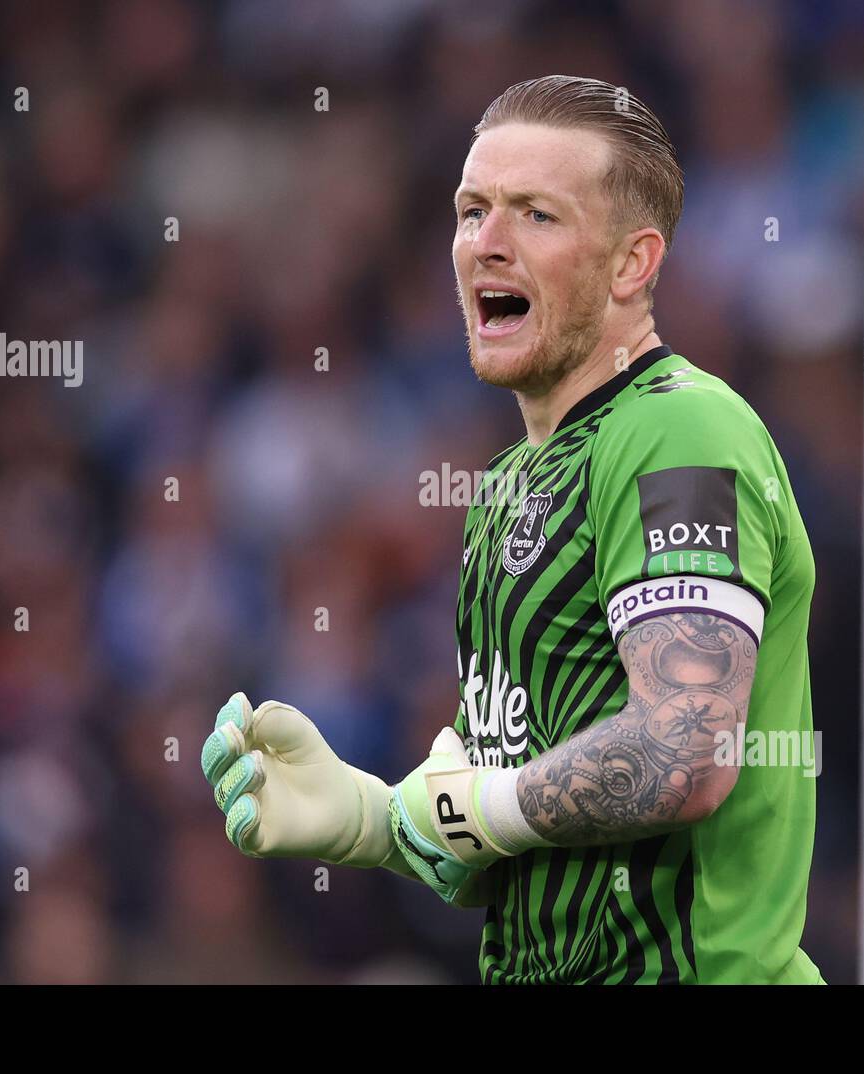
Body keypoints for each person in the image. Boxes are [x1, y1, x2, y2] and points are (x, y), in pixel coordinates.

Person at [201, 75, 824, 985]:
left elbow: (685, 747)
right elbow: (510, 799)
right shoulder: (507, 486)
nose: (486, 245)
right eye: (471, 211)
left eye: (536, 215)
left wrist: (474, 810)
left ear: (631, 264)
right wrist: (372, 820)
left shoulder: (680, 430)